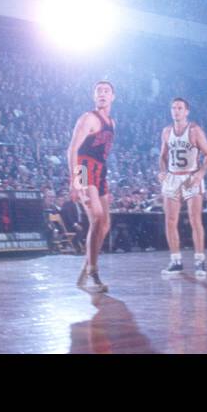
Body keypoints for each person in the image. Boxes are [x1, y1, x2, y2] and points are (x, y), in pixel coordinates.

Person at [68, 81, 116, 293]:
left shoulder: (112, 122)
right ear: (94, 96)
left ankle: (87, 264)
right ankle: (93, 272)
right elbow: (72, 150)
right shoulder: (88, 118)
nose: (102, 94)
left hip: (100, 171)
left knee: (105, 225)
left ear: (113, 96)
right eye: (98, 91)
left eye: (106, 91)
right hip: (84, 168)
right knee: (96, 217)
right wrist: (74, 180)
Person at [157, 97, 207, 279]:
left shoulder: (195, 130)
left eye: (179, 108)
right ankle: (176, 261)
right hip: (173, 177)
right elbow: (162, 155)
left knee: (194, 219)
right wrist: (163, 171)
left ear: (186, 111)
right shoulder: (166, 132)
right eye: (173, 108)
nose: (176, 111)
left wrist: (201, 173)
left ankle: (199, 260)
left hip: (191, 175)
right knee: (170, 220)